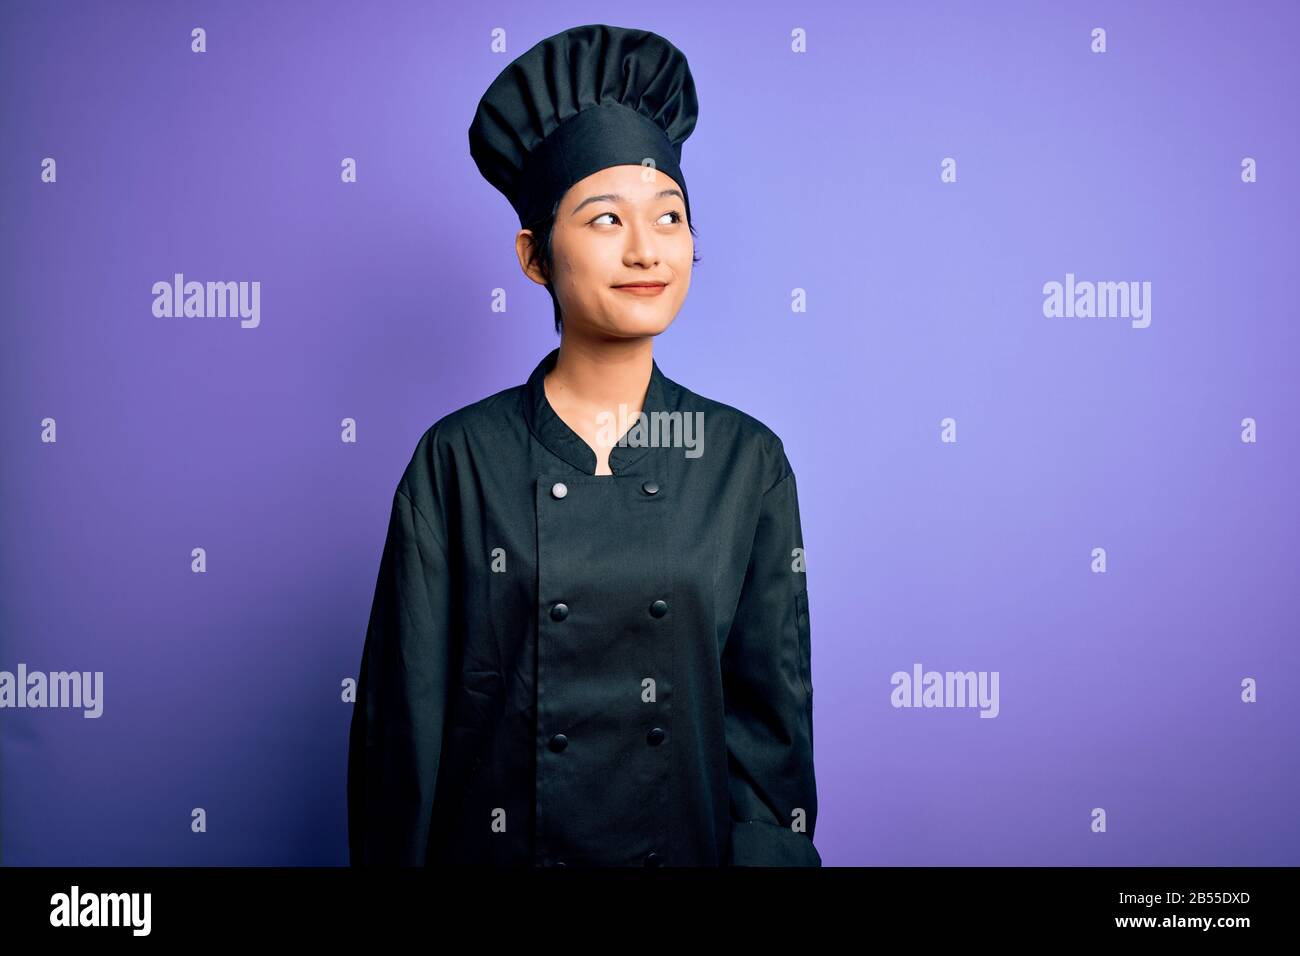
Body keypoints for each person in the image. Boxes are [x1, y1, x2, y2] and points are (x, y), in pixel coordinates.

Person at [347, 23, 820, 867]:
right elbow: (401, 736)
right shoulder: (457, 462)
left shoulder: (745, 463)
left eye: (669, 217)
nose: (646, 249)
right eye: (605, 219)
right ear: (534, 257)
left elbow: (769, 737)